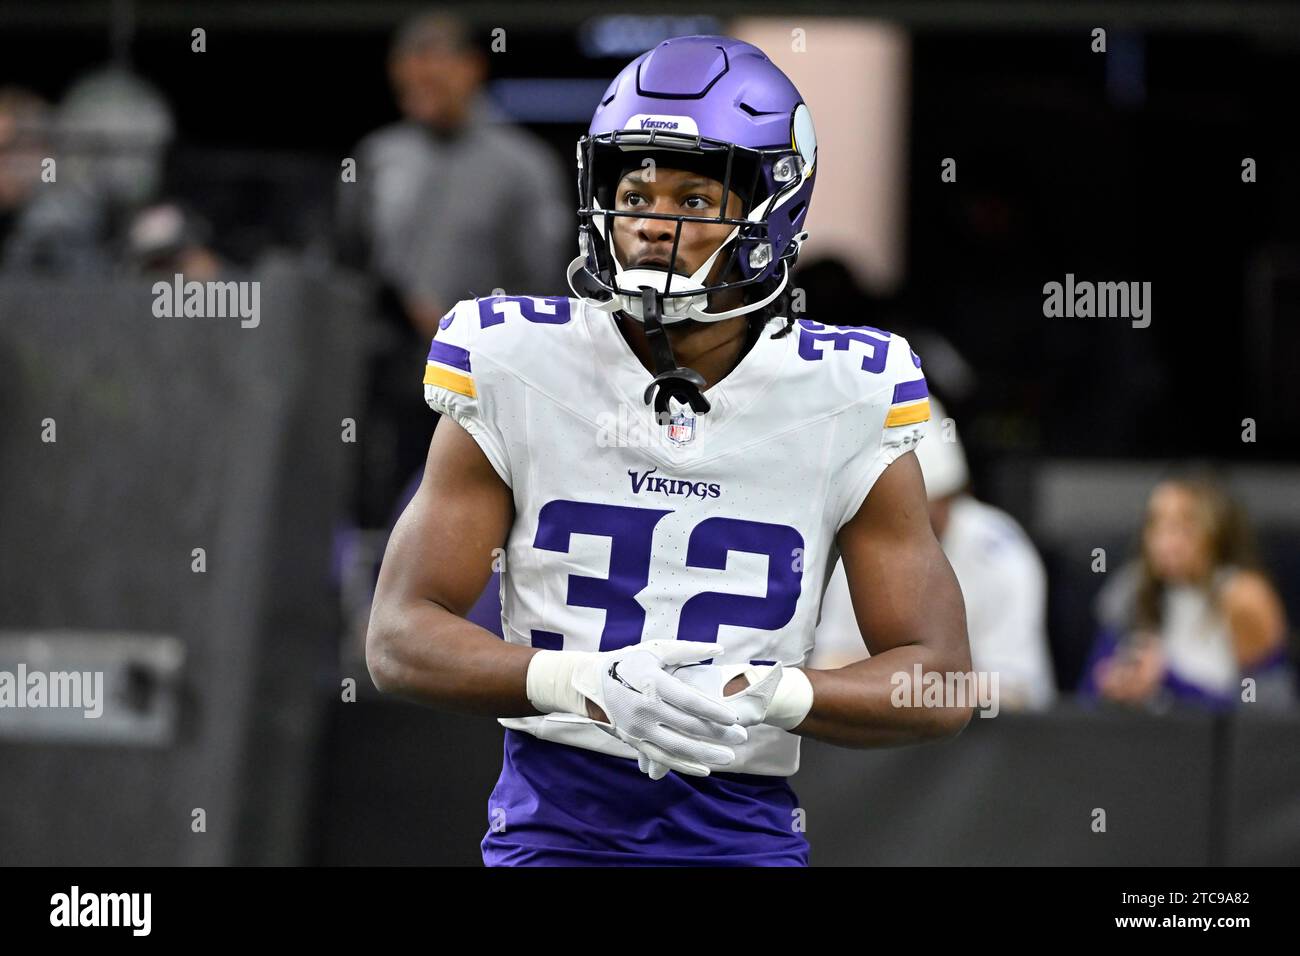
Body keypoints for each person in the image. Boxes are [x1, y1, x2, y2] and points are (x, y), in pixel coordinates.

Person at [366, 35, 971, 866]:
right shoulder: (515, 359)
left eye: (693, 197)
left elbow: (939, 681)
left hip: (741, 835)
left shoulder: (846, 389)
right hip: (552, 830)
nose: (652, 223)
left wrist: (772, 694)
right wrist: (575, 683)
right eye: (634, 189)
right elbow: (398, 637)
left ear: (774, 208)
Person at [337, 10, 571, 526]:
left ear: (471, 68)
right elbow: (350, 261)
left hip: (477, 379)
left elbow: (545, 286)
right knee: (376, 510)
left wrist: (458, 322)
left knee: (459, 517)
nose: (421, 75)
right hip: (385, 370)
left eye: (436, 61)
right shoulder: (378, 156)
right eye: (410, 63)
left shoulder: (521, 167)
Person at [813, 398, 1056, 711]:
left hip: (990, 743)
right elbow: (829, 663)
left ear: (953, 496)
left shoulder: (1000, 555)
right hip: (875, 727)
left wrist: (893, 685)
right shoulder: (861, 542)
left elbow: (1013, 686)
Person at [1081, 475, 1291, 711]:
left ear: (1217, 531)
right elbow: (1087, 697)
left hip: (1212, 745)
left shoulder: (1244, 596)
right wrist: (1113, 688)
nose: (1164, 542)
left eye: (1183, 527)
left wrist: (1169, 680)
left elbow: (1266, 716)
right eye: (1155, 524)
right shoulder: (1131, 587)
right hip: (1141, 741)